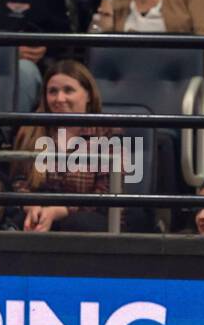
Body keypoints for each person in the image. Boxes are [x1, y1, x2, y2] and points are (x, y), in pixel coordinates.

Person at [7, 59, 130, 233]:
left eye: (68, 90)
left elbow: (106, 192)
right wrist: (31, 205)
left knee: (77, 224)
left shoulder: (108, 132)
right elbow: (19, 180)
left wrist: (61, 211)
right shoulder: (31, 129)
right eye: (53, 92)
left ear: (88, 95)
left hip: (90, 215)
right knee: (21, 222)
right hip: (41, 209)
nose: (59, 98)